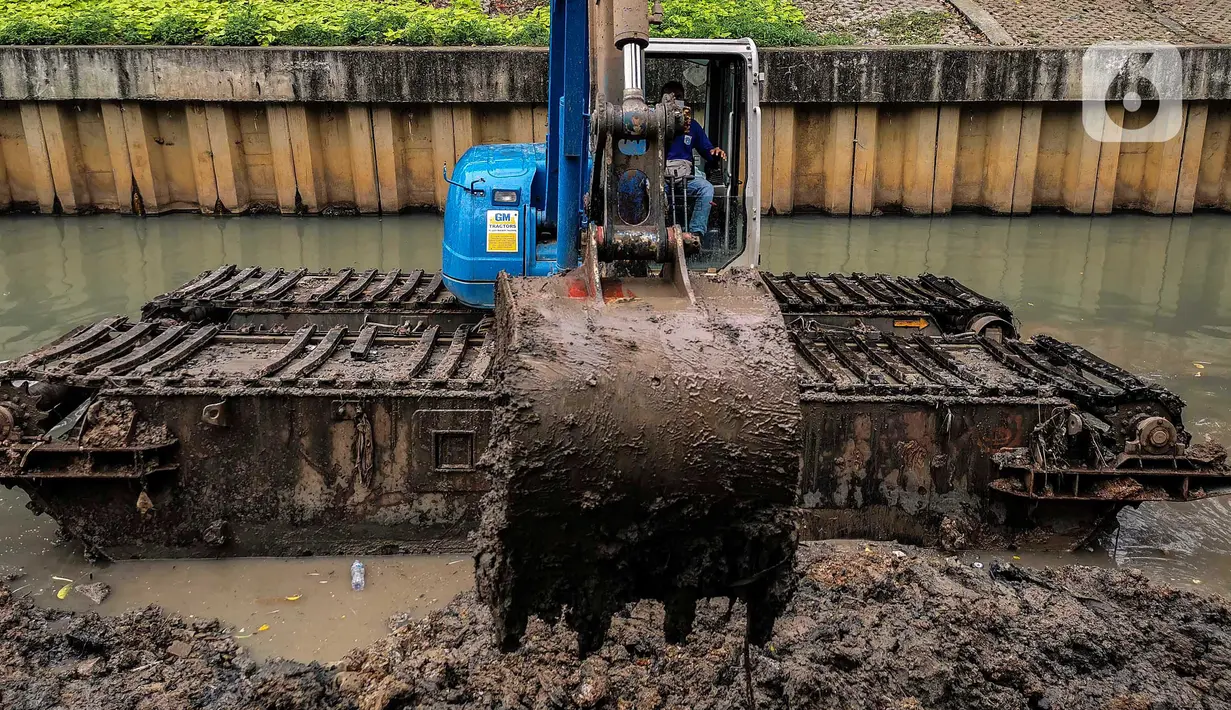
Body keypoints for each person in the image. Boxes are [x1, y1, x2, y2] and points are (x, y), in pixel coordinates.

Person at [661, 81, 726, 238]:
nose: (675, 100)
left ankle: (695, 233)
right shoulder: (654, 123)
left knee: (706, 188)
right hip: (661, 178)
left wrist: (716, 153)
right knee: (650, 190)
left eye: (679, 97)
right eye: (671, 97)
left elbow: (708, 151)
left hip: (686, 178)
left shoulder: (693, 126)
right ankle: (660, 234)